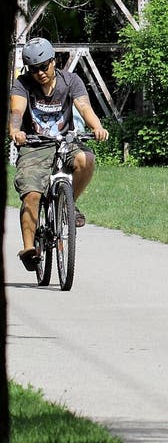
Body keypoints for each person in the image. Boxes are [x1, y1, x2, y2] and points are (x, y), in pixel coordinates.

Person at [8, 37, 109, 270]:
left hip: (65, 141)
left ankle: (68, 204)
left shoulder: (71, 81)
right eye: (34, 69)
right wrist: (15, 130)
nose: (40, 73)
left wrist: (97, 127)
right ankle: (28, 248)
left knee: (86, 159)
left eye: (44, 66)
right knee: (32, 194)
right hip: (35, 144)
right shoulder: (22, 84)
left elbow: (84, 107)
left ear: (54, 62)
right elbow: (17, 109)